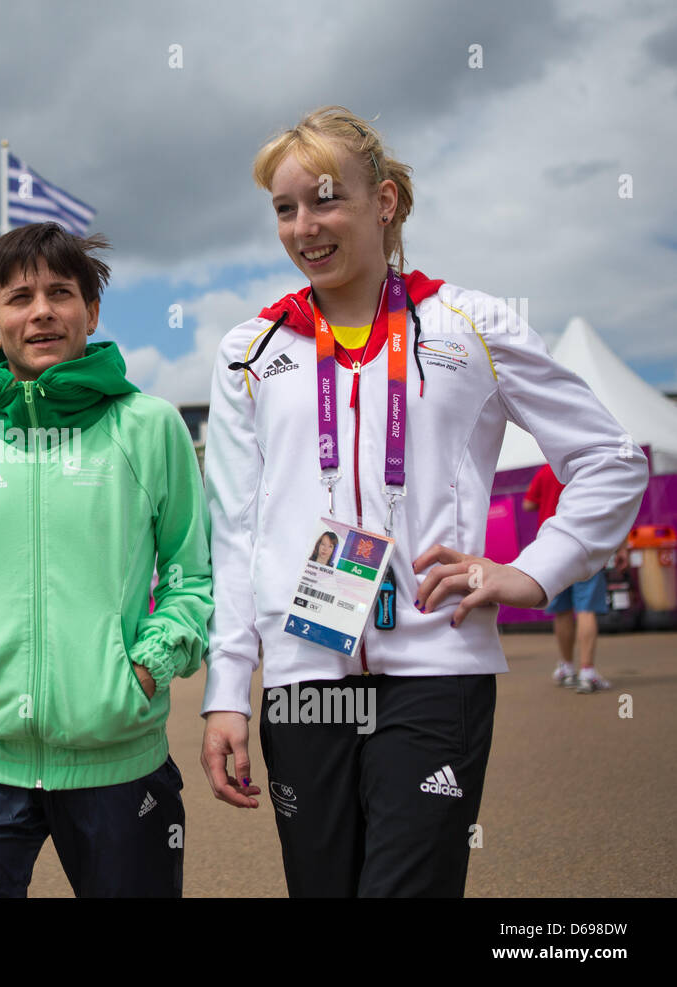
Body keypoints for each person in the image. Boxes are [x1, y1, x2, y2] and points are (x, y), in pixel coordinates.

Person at [199, 106, 648, 897]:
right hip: (304, 678)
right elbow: (235, 533)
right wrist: (227, 691)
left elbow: (611, 459)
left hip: (437, 672)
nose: (305, 226)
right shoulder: (251, 350)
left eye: (326, 198)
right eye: (284, 207)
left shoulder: (470, 323)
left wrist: (530, 572)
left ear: (387, 201)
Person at [0, 222, 213, 898]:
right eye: (19, 296)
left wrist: (150, 663)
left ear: (91, 312)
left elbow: (190, 573)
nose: (41, 311)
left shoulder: (148, 426)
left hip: (120, 760)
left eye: (62, 292)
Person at [522, 463, 627, 693]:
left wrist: (549, 500)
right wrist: (621, 548)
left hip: (552, 550)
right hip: (585, 546)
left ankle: (567, 669)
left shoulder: (546, 471)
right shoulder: (591, 468)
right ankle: (587, 673)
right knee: (586, 609)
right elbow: (614, 509)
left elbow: (528, 503)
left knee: (562, 611)